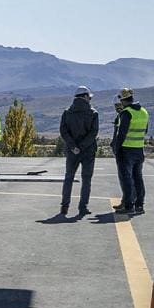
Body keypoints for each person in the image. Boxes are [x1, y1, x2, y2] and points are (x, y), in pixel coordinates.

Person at [59, 86, 99, 216]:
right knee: (86, 179)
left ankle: (64, 206)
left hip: (72, 151)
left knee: (69, 177)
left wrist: (73, 146)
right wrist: (82, 146)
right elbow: (94, 133)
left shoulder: (67, 112)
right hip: (88, 151)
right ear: (86, 96)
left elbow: (63, 131)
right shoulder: (93, 113)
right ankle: (83, 207)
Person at [112, 87, 148, 215]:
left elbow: (121, 133)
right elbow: (146, 131)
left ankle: (128, 206)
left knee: (126, 178)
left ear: (122, 100)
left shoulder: (126, 113)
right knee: (138, 177)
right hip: (139, 149)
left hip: (126, 150)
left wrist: (116, 149)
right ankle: (139, 205)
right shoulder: (144, 111)